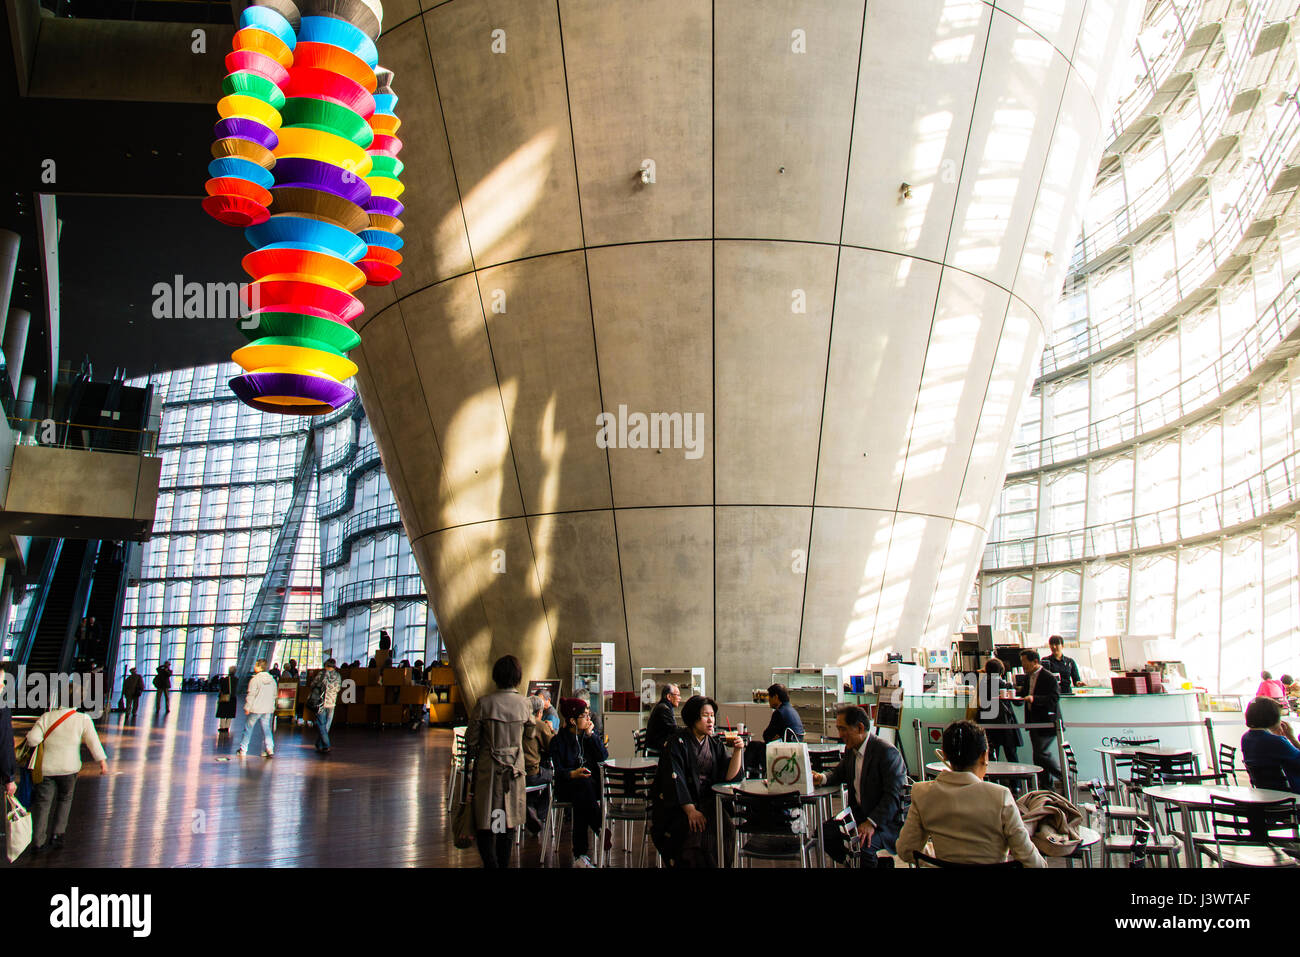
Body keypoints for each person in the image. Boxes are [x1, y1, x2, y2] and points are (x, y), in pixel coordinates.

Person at [896, 720, 1045, 867]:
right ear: (984, 756)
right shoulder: (1001, 796)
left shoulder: (923, 793)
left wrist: (934, 856)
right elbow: (1032, 861)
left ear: (945, 755)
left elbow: (906, 850)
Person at [650, 694, 745, 867]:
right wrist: (690, 810)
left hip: (710, 803)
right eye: (705, 716)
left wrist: (738, 751)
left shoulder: (715, 744)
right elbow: (674, 778)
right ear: (693, 718)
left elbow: (729, 778)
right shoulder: (676, 742)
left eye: (712, 716)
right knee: (694, 830)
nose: (710, 721)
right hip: (681, 806)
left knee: (726, 829)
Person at [812, 705, 907, 866]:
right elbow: (838, 773)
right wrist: (821, 778)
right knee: (823, 833)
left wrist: (871, 823)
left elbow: (893, 797)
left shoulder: (887, 753)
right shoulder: (852, 750)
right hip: (859, 817)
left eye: (843, 729)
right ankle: (854, 864)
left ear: (860, 728)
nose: (840, 735)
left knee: (864, 848)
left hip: (885, 824)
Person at [465, 655, 530, 868]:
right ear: (517, 677)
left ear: (496, 676)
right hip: (513, 773)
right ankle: (503, 864)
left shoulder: (485, 704)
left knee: (488, 822)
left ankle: (491, 864)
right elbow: (529, 736)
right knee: (507, 822)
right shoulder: (524, 704)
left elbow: (471, 739)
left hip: (489, 773)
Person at [26, 698, 109, 853]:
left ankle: (38, 842)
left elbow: (32, 740)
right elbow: (93, 742)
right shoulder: (83, 719)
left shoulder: (47, 717)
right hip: (69, 769)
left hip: (46, 769)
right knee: (65, 799)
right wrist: (102, 762)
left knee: (43, 804)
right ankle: (57, 835)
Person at [550, 696, 608, 867]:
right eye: (585, 716)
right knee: (581, 789)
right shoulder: (558, 742)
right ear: (573, 721)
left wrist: (591, 737)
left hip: (589, 788)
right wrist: (573, 774)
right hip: (567, 786)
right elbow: (559, 771)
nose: (589, 719)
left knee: (582, 795)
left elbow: (603, 757)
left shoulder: (589, 737)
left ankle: (580, 856)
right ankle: (599, 827)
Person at [1019, 649, 1063, 790]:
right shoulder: (1028, 677)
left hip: (1047, 721)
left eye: (1025, 663)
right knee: (1038, 756)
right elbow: (1023, 695)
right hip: (1033, 721)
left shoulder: (1048, 677)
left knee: (1041, 753)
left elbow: (1054, 698)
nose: (1023, 666)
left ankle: (1064, 777)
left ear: (1035, 662)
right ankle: (1047, 786)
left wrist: (1034, 699)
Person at [1240, 696, 1300, 792]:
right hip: (1289, 794)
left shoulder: (1246, 738)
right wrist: (1292, 739)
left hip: (1266, 793)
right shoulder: (1277, 742)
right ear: (1273, 717)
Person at [976, 659, 1021, 762]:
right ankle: (1015, 777)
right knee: (1011, 755)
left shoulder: (983, 686)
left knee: (991, 754)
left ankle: (993, 777)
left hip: (989, 723)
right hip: (1006, 724)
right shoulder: (1006, 685)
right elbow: (1018, 702)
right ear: (1001, 671)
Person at [522, 694, 555, 834]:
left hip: (516, 773)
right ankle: (538, 813)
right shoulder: (539, 725)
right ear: (540, 712)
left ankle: (529, 806)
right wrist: (552, 730)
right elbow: (553, 747)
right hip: (532, 773)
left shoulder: (517, 723)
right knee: (556, 777)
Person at [236, 660, 277, 758]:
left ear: (259, 667)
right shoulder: (272, 680)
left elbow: (251, 695)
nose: (254, 667)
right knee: (266, 729)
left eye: (255, 665)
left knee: (248, 728)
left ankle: (243, 748)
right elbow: (274, 694)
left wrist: (247, 707)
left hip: (256, 708)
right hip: (267, 709)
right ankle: (270, 748)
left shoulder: (255, 680)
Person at [311, 659, 342, 754]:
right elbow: (338, 688)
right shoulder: (338, 675)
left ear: (326, 665)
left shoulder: (321, 674)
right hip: (332, 702)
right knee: (327, 725)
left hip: (321, 702)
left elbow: (313, 685)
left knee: (321, 724)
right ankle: (319, 744)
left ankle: (326, 744)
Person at [646, 683, 680, 754]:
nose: (680, 698)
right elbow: (673, 729)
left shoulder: (664, 706)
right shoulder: (663, 708)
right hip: (656, 748)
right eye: (678, 695)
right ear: (669, 696)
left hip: (659, 743)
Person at [215, 666, 238, 735]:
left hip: (225, 697)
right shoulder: (236, 679)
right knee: (230, 713)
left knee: (222, 713)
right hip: (232, 698)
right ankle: (227, 727)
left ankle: (222, 726)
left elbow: (221, 689)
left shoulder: (224, 680)